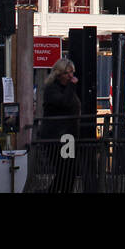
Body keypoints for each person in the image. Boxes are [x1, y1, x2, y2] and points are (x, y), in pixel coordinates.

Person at [38, 58, 81, 192]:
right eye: (67, 73)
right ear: (59, 74)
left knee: (69, 171)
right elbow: (64, 103)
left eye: (72, 73)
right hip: (57, 136)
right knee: (64, 169)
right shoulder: (52, 89)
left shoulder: (67, 90)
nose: (71, 77)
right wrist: (71, 87)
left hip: (68, 136)